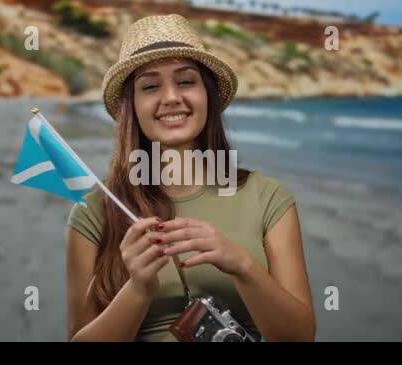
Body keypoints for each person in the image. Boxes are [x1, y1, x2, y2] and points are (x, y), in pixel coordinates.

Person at [66, 14, 315, 342]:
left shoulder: (268, 198)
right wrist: (138, 290)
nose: (170, 97)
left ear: (207, 94)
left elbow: (300, 338)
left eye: (186, 81)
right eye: (151, 86)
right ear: (132, 106)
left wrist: (242, 264)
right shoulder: (94, 211)